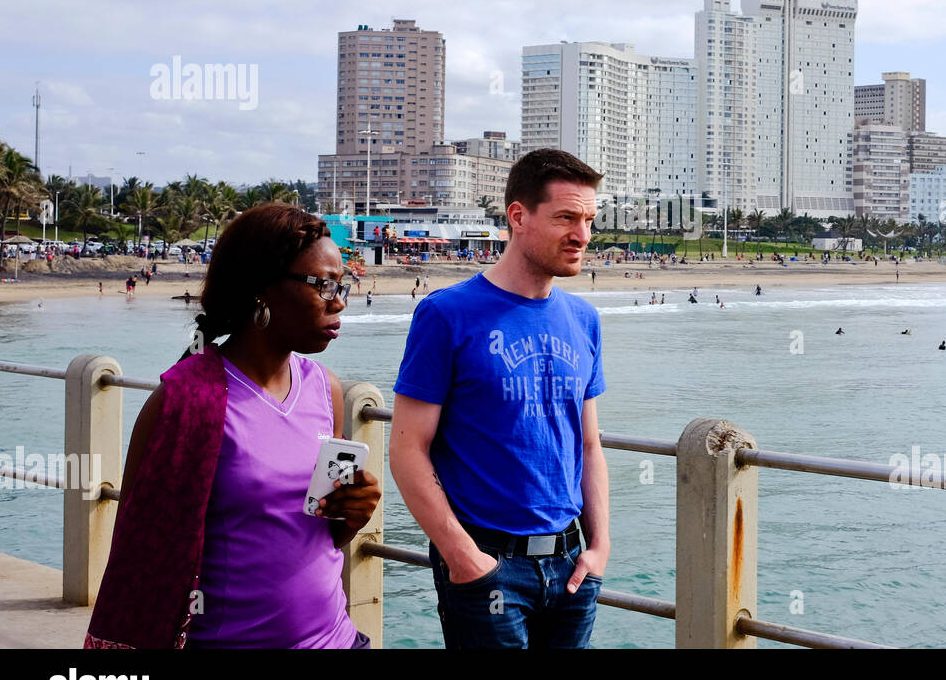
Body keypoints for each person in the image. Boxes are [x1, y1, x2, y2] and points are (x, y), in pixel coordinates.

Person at [85, 204, 380, 649]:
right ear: (261, 289)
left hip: (337, 640)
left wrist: (352, 516)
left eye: (342, 285)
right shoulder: (184, 402)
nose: (338, 301)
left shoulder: (326, 390)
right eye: (323, 285)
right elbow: (142, 553)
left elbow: (319, 538)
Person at [389, 148, 609, 649]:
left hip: (572, 565)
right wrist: (463, 556)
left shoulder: (583, 320)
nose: (583, 235)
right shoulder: (446, 315)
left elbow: (590, 445)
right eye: (566, 218)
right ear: (518, 217)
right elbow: (406, 449)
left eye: (590, 219)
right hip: (487, 564)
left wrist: (599, 547)